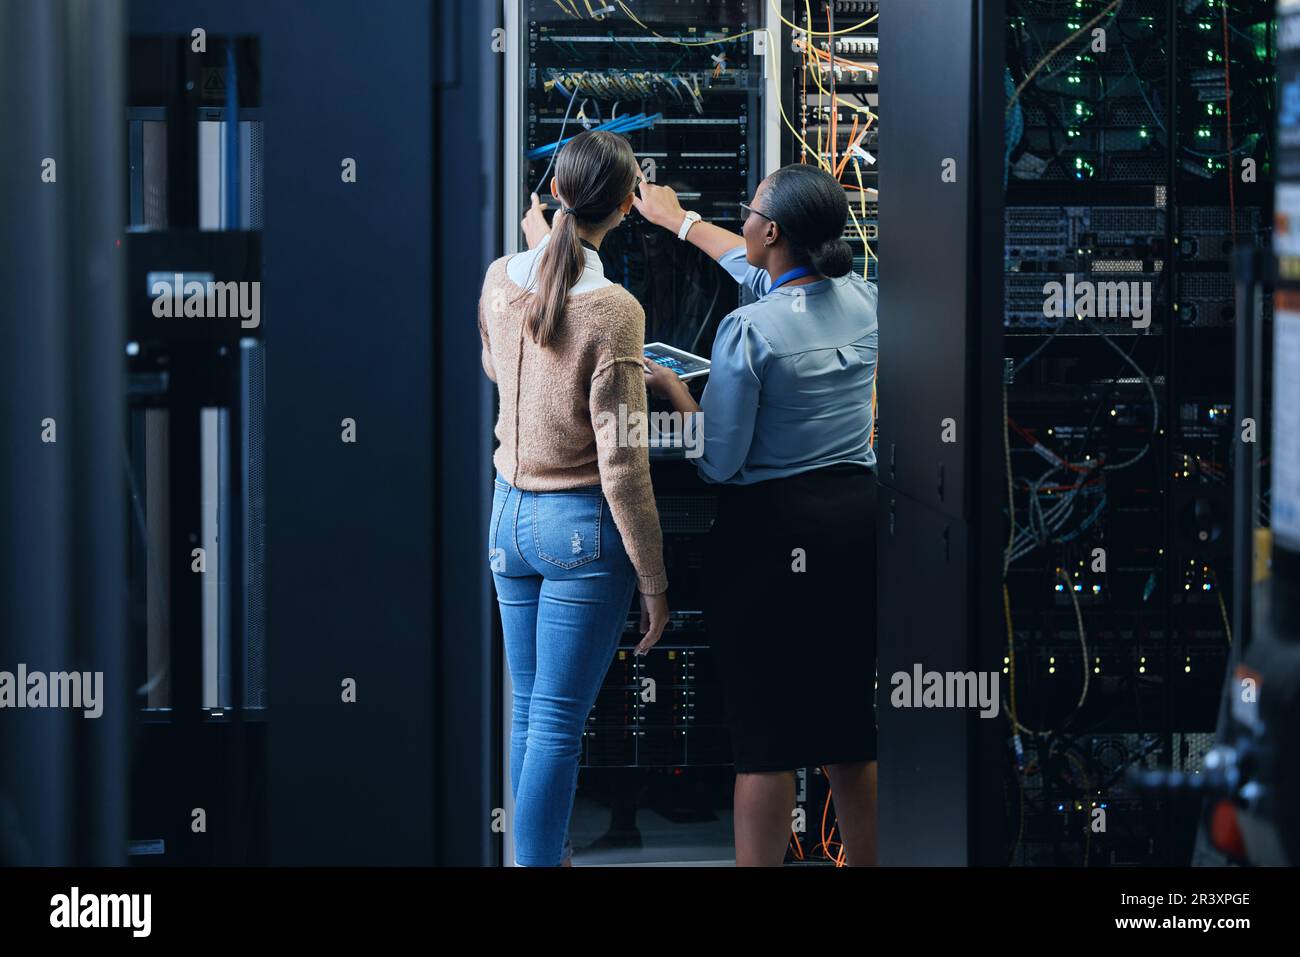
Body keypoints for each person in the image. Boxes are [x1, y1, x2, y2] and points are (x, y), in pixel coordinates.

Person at [636, 165, 880, 866]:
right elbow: (751, 264)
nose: (741, 222)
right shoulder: (865, 299)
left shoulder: (748, 331)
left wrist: (678, 392)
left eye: (748, 212)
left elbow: (717, 461)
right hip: (853, 527)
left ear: (771, 231)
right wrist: (676, 221)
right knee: (846, 729)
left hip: (771, 535)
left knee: (764, 739)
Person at [477, 130, 669, 867]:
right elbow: (622, 464)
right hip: (580, 533)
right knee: (557, 723)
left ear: (554, 192)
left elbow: (498, 360)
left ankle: (536, 858)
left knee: (530, 713)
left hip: (509, 520)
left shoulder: (500, 276)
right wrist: (653, 577)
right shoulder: (615, 310)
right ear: (626, 206)